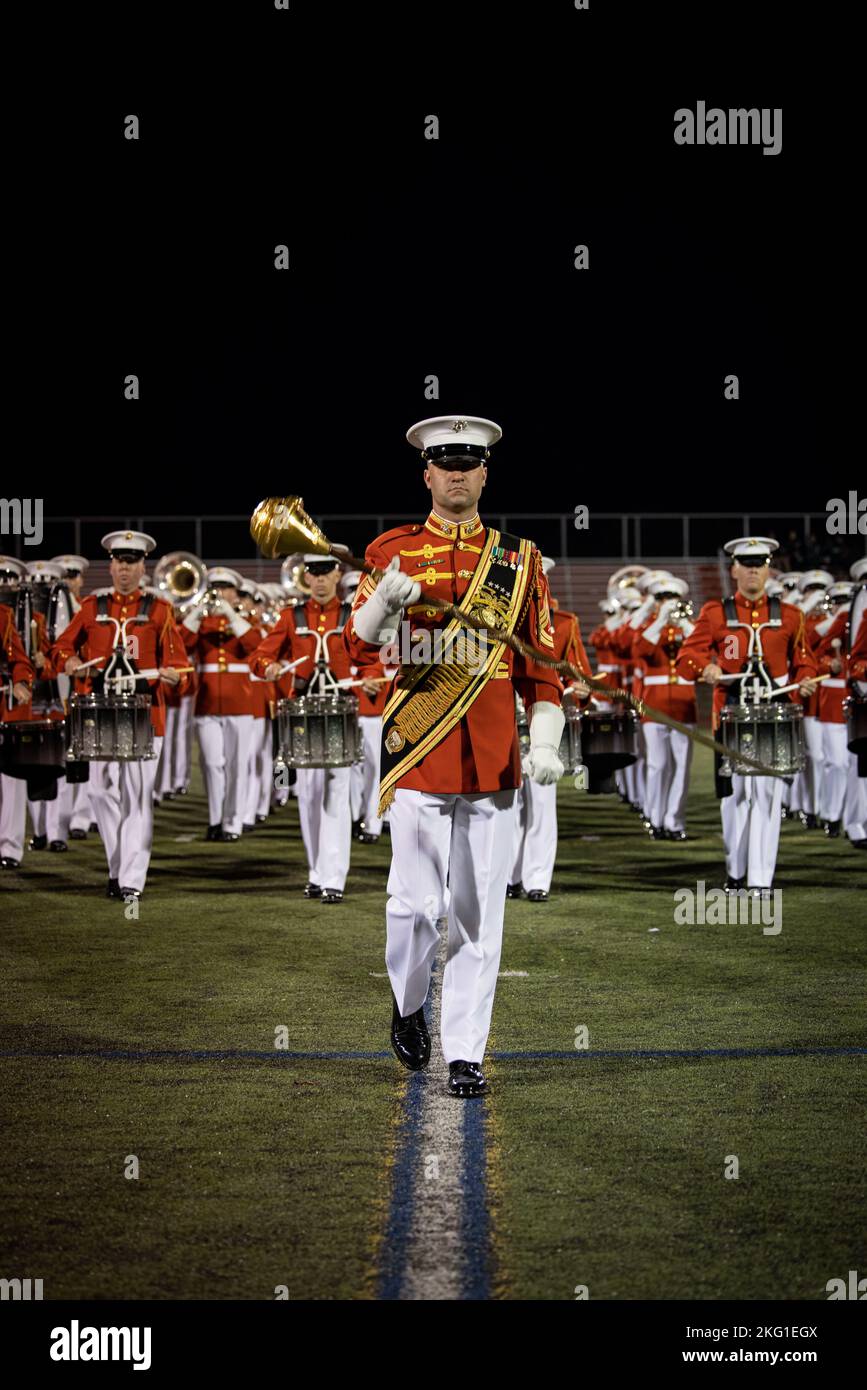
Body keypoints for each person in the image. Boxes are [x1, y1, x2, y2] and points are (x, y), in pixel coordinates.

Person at [343, 414, 565, 1098]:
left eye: (470, 461)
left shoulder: (519, 560)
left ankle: (465, 1052)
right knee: (411, 905)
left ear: (485, 472)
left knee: (477, 916)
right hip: (417, 751)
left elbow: (542, 668)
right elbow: (356, 648)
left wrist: (547, 740)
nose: (459, 472)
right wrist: (383, 602)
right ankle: (408, 1002)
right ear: (427, 474)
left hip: (494, 763)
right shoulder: (392, 549)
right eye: (446, 462)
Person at [51, 530, 190, 900]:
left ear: (142, 567)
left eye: (131, 562)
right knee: (98, 790)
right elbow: (61, 647)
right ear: (111, 566)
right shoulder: (91, 608)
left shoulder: (159, 610)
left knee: (137, 796)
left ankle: (130, 879)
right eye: (118, 562)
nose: (124, 569)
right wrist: (72, 661)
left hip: (146, 718)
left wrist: (174, 674)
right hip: (102, 716)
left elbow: (178, 663)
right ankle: (119, 862)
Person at [676, 536, 818, 895]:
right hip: (730, 718)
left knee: (768, 798)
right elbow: (685, 659)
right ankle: (736, 872)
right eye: (747, 563)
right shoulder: (714, 613)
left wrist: (804, 681)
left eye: (760, 562)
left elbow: (805, 662)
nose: (754, 569)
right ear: (734, 569)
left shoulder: (790, 616)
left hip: (774, 719)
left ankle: (759, 879)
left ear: (769, 568)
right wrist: (705, 667)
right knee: (735, 797)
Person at [249, 554, 361, 901]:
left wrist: (369, 679)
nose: (321, 580)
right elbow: (260, 655)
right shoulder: (291, 616)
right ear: (307, 579)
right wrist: (267, 667)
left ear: (338, 574)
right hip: (302, 718)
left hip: (339, 716)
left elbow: (372, 657)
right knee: (309, 796)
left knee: (337, 794)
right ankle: (317, 872)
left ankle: (334, 879)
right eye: (315, 574)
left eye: (327, 572)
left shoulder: (352, 615)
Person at [508, 555, 590, 900]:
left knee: (542, 800)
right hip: (504, 721)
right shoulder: (497, 619)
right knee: (505, 803)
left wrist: (583, 687)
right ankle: (508, 876)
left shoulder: (565, 624)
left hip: (542, 718)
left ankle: (537, 880)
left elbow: (579, 671)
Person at [181, 567, 260, 841]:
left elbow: (255, 645)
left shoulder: (244, 621)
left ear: (235, 593)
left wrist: (230, 612)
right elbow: (180, 645)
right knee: (212, 763)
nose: (219, 593)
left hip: (240, 705)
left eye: (226, 588)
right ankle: (216, 819)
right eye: (214, 587)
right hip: (207, 703)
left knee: (238, 765)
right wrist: (196, 611)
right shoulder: (201, 624)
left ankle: (233, 822)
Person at [632, 575, 696, 840]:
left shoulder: (687, 627)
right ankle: (655, 818)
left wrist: (682, 622)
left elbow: (701, 651)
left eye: (672, 597)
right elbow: (640, 650)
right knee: (657, 765)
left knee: (682, 766)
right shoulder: (648, 625)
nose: (668, 602)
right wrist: (659, 620)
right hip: (655, 704)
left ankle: (674, 821)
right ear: (655, 602)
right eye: (662, 598)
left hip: (683, 705)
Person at [0, 579, 35, 869]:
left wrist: (21, 680)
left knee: (11, 780)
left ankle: (10, 847)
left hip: (3, 708)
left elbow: (19, 659)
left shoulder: (3, 616)